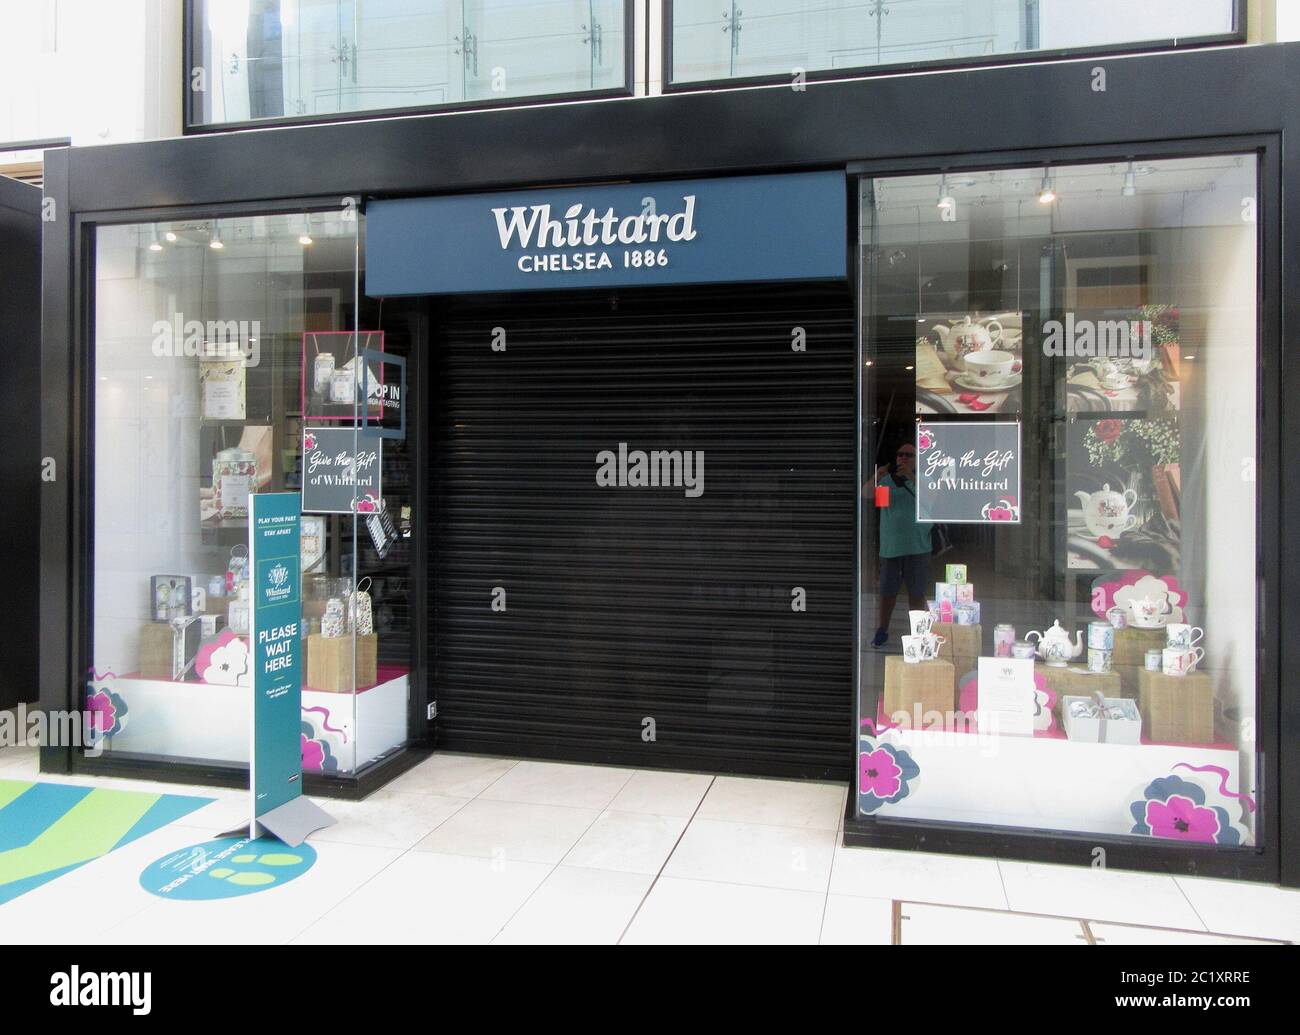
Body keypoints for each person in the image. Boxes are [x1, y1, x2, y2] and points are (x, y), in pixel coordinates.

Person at [872, 442, 932, 648]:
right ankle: (882, 628)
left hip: (918, 547)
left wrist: (913, 478)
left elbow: (932, 501)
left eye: (908, 455)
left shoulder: (924, 479)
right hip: (891, 548)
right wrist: (876, 479)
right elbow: (870, 498)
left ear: (916, 459)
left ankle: (920, 632)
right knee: (887, 592)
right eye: (900, 455)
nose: (903, 458)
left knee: (917, 593)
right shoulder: (888, 481)